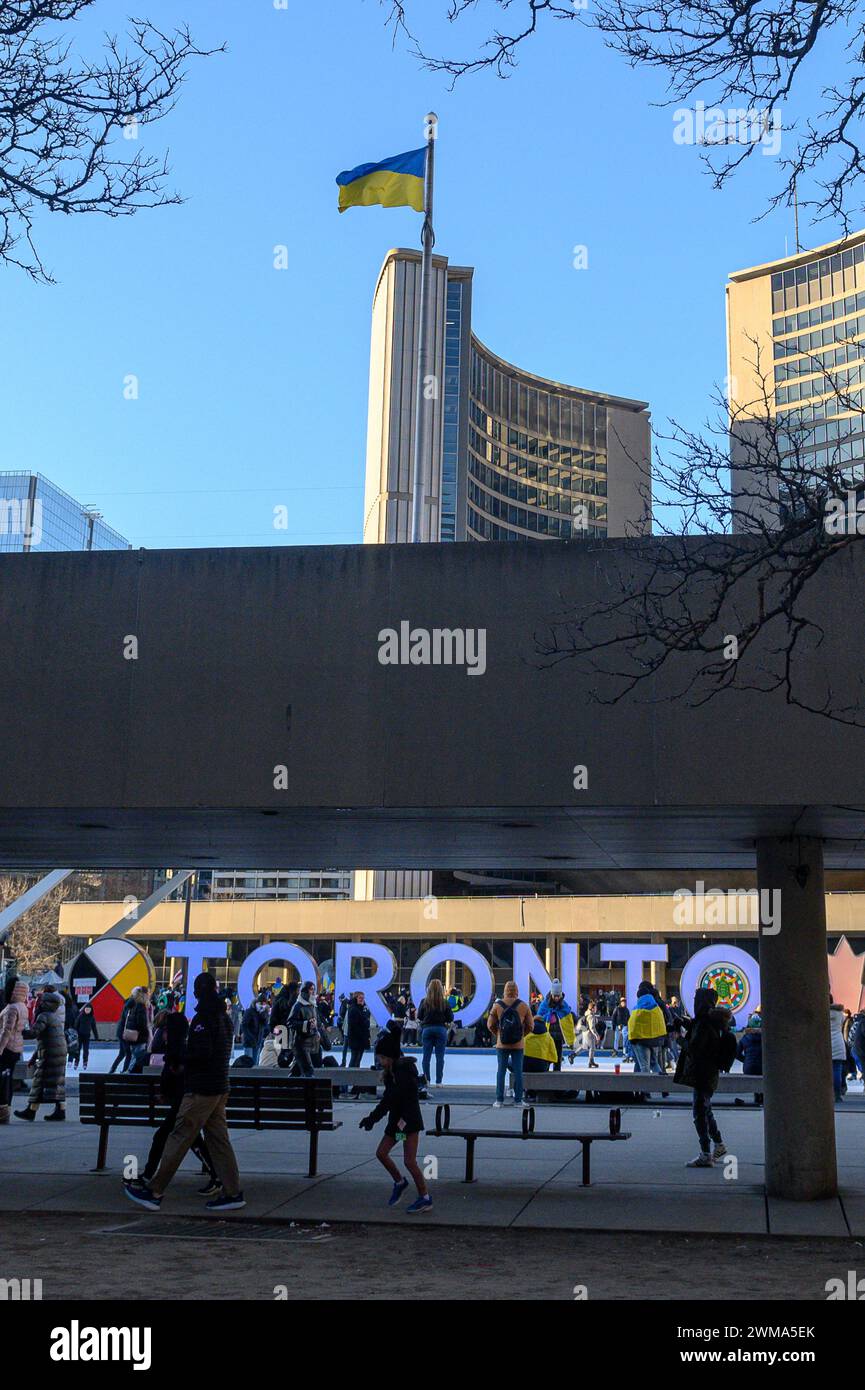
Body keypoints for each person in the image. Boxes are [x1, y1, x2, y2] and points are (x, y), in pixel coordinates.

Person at [123, 972, 245, 1212]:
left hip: (201, 1089)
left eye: (196, 990)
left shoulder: (202, 1019)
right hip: (220, 1086)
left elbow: (201, 1053)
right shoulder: (224, 1017)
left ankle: (154, 1190)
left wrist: (181, 1058)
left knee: (179, 1136)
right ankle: (232, 1192)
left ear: (199, 991)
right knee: (219, 1142)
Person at [141, 1010, 217, 1194]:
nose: (163, 1034)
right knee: (192, 1140)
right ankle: (216, 1174)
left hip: (183, 1105)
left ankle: (150, 1177)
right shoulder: (183, 1051)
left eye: (165, 1031)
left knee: (164, 1137)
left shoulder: (177, 1054)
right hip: (185, 1103)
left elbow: (172, 1080)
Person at [358, 1025, 431, 1213]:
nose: (379, 1062)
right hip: (399, 1126)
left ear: (390, 1058)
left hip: (408, 1125)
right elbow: (388, 1102)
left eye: (382, 1058)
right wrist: (372, 1119)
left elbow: (389, 1101)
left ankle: (424, 1197)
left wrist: (372, 1119)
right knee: (382, 1153)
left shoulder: (401, 1075)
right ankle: (400, 1181)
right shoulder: (393, 1073)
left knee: (409, 1161)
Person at [676, 986, 737, 1167]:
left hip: (702, 1072)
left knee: (699, 1113)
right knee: (705, 1109)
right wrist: (685, 1024)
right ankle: (718, 1144)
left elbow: (695, 1049)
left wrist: (678, 1038)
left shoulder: (704, 1023)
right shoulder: (712, 1021)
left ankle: (705, 1153)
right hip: (709, 1073)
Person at [15, 991, 67, 1121]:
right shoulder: (55, 1017)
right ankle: (60, 1111)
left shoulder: (44, 1016)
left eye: (40, 1002)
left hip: (50, 1054)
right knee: (57, 1082)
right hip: (58, 1053)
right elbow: (46, 1039)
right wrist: (34, 1057)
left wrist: (18, 1031)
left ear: (45, 1004)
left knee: (39, 1081)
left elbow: (34, 1033)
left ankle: (31, 1111)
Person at [487, 980, 533, 1108]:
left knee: (501, 1071)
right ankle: (518, 1100)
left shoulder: (497, 1006)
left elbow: (490, 1024)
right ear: (517, 991)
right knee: (518, 1072)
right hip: (518, 1045)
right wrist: (521, 1035)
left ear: (505, 991)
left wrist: (499, 1035)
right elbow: (531, 1026)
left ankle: (499, 1100)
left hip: (502, 1044)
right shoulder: (523, 1006)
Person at [0, 979, 29, 1123]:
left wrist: (0, 1049)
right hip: (16, 1048)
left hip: (7, 1049)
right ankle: (6, 1111)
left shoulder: (12, 1008)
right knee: (9, 1081)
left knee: (3, 1081)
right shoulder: (23, 1006)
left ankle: (2, 1111)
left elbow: (6, 1031)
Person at [418, 979, 453, 1087]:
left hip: (427, 1029)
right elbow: (450, 1018)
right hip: (441, 1029)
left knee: (426, 1057)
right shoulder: (445, 1002)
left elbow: (419, 1016)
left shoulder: (424, 1002)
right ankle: (438, 1081)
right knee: (440, 1057)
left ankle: (427, 1080)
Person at [628, 982, 668, 1075]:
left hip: (641, 1041)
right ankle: (659, 1082)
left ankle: (645, 1084)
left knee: (644, 1066)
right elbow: (661, 1023)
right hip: (655, 1040)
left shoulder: (637, 1009)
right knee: (654, 1063)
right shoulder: (657, 1008)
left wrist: (632, 1039)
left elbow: (632, 1024)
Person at [537, 981, 576, 1071]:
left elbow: (569, 1021)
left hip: (558, 1037)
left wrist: (570, 1040)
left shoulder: (564, 1005)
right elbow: (538, 1018)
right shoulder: (544, 1004)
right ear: (551, 994)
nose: (557, 998)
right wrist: (549, 1016)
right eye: (555, 996)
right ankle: (545, 1073)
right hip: (547, 1036)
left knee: (558, 1058)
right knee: (546, 1057)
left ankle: (557, 1074)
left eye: (558, 996)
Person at [287, 981, 321, 1078]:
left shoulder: (312, 1005)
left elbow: (315, 1022)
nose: (313, 992)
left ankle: (287, 1086)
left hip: (309, 1042)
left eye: (314, 989)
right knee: (308, 1070)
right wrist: (306, 1024)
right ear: (305, 991)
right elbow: (290, 1022)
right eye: (311, 989)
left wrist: (316, 1031)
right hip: (300, 1043)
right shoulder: (298, 1005)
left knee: (296, 1071)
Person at [523, 1014, 558, 1100]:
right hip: (541, 1067)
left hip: (525, 1066)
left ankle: (523, 1090)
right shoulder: (548, 1037)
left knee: (510, 1062)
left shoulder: (526, 1035)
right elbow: (554, 1056)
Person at [736, 1011, 764, 1105]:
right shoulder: (765, 1038)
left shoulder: (745, 1038)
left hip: (749, 1068)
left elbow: (736, 1053)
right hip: (763, 1067)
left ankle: (757, 1095)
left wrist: (745, 1060)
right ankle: (762, 1096)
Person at [344, 990, 372, 1068]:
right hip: (356, 1039)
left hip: (359, 1039)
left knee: (357, 1059)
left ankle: (354, 1073)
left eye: (363, 998)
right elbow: (354, 1025)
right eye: (360, 998)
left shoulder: (360, 1008)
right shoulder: (354, 1009)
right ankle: (351, 1074)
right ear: (356, 998)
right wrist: (362, 1034)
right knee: (355, 1059)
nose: (362, 999)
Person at [829, 994, 847, 1102]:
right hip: (838, 1043)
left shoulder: (820, 1013)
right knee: (837, 1070)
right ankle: (837, 1094)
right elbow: (842, 1022)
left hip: (825, 1043)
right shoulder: (839, 1013)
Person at [576, 1000, 602, 1068]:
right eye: (595, 1008)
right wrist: (597, 1035)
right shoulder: (591, 1016)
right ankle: (591, 1061)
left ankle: (573, 1055)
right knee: (592, 1047)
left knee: (584, 1047)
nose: (596, 1009)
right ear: (592, 1008)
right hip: (589, 1033)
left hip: (585, 1032)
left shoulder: (587, 1013)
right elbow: (592, 1027)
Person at [74, 1001, 99, 1070]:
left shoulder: (92, 1017)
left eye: (89, 1009)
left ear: (91, 1010)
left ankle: (85, 1062)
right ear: (84, 1009)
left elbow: (94, 1027)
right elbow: (76, 1025)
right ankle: (76, 1062)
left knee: (86, 1050)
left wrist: (96, 1036)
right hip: (79, 1035)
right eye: (86, 1009)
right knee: (77, 1049)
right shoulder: (80, 1016)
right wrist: (75, 1033)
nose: (87, 1011)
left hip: (87, 1036)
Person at [241, 998, 266, 1063]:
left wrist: (262, 1013)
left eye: (262, 1004)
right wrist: (249, 1037)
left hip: (257, 1042)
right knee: (248, 1062)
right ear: (255, 1004)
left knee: (255, 1063)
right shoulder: (249, 1012)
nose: (261, 1005)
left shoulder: (260, 1013)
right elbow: (244, 1025)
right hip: (249, 1042)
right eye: (259, 1004)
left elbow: (264, 1024)